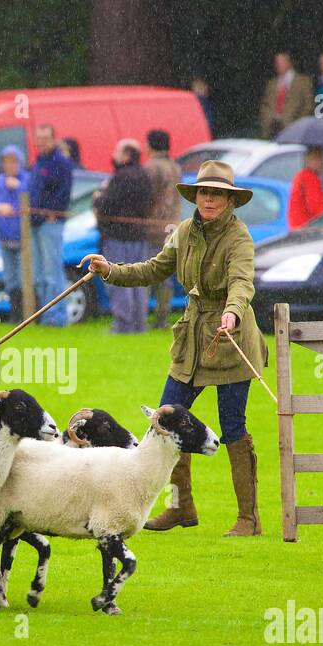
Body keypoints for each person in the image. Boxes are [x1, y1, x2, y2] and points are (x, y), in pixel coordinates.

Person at [81, 160, 267, 536]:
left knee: (233, 427)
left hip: (230, 339)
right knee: (164, 421)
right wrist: (110, 270)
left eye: (217, 194)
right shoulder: (184, 232)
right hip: (191, 342)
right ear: (195, 196)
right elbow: (152, 269)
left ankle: (249, 519)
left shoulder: (239, 239)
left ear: (231, 200)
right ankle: (181, 508)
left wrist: (232, 314)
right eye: (203, 192)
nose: (209, 199)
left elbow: (242, 283)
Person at [94, 138, 153, 333]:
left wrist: (99, 197)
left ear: (126, 155)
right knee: (138, 281)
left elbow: (107, 204)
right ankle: (139, 324)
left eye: (117, 152)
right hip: (139, 235)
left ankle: (123, 324)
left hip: (118, 235)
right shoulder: (144, 176)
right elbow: (149, 205)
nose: (114, 156)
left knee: (118, 279)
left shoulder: (121, 177)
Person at [29, 124, 74, 327]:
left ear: (54, 139)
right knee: (38, 274)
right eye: (38, 139)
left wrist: (53, 213)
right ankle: (44, 314)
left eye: (45, 138)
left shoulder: (61, 162)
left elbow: (64, 191)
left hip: (50, 223)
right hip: (34, 222)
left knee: (52, 272)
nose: (41, 143)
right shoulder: (38, 161)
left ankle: (56, 317)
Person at [0, 145, 30, 322]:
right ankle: (15, 315)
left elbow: (31, 204)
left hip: (24, 240)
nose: (9, 165)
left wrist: (19, 188)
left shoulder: (26, 180)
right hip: (4, 238)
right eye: (6, 162)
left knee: (24, 277)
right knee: (10, 279)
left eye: (13, 161)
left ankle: (30, 314)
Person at [144, 129, 183, 329]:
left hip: (152, 227)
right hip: (172, 226)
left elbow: (147, 196)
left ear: (150, 145)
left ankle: (141, 316)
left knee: (145, 272)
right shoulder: (175, 167)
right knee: (165, 275)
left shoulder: (151, 167)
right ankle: (162, 315)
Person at [259, 52, 314, 138]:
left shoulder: (303, 81)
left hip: (292, 126)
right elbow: (265, 104)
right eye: (276, 63)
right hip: (272, 126)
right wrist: (266, 118)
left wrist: (298, 123)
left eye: (281, 62)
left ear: (289, 63)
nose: (278, 65)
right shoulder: (272, 83)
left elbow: (308, 105)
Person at [288, 146, 323, 229]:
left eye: (322, 158)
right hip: (307, 229)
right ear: (307, 160)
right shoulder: (310, 178)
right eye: (317, 158)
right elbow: (316, 208)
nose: (321, 162)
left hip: (296, 228)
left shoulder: (300, 175)